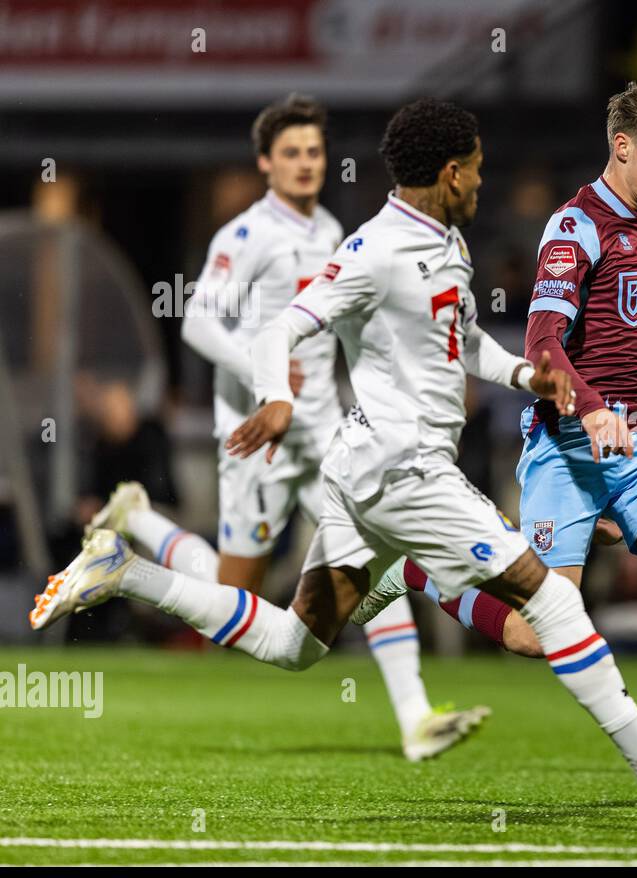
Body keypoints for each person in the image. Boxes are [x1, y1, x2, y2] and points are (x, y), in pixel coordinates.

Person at [31, 98, 637, 816]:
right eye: (474, 172)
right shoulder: (374, 251)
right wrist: (276, 397)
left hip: (361, 477)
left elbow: (465, 345)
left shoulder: (444, 242)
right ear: (448, 173)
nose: (479, 184)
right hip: (407, 472)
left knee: (292, 642)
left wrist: (531, 377)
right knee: (555, 601)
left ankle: (124, 572)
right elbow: (277, 330)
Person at [349, 81, 637, 820]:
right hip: (570, 449)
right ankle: (419, 566)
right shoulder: (574, 227)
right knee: (527, 634)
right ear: (623, 147)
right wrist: (595, 410)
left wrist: (634, 466)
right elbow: (542, 344)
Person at [80, 95, 457, 761]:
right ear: (265, 163)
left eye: (314, 151)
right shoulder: (247, 237)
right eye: (292, 153)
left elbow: (343, 328)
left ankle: (415, 717)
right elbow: (197, 323)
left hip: (327, 436)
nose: (306, 163)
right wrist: (266, 375)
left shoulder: (333, 229)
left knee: (372, 563)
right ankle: (139, 518)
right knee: (233, 603)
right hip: (260, 440)